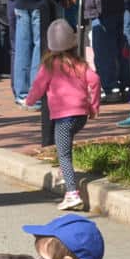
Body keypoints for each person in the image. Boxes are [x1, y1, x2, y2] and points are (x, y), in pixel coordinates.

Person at [23, 19, 100, 211]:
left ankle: (72, 194)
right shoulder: (79, 64)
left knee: (64, 154)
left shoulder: (49, 66)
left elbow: (38, 86)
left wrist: (29, 101)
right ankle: (65, 174)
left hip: (63, 117)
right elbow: (95, 80)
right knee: (66, 144)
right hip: (80, 116)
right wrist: (93, 106)